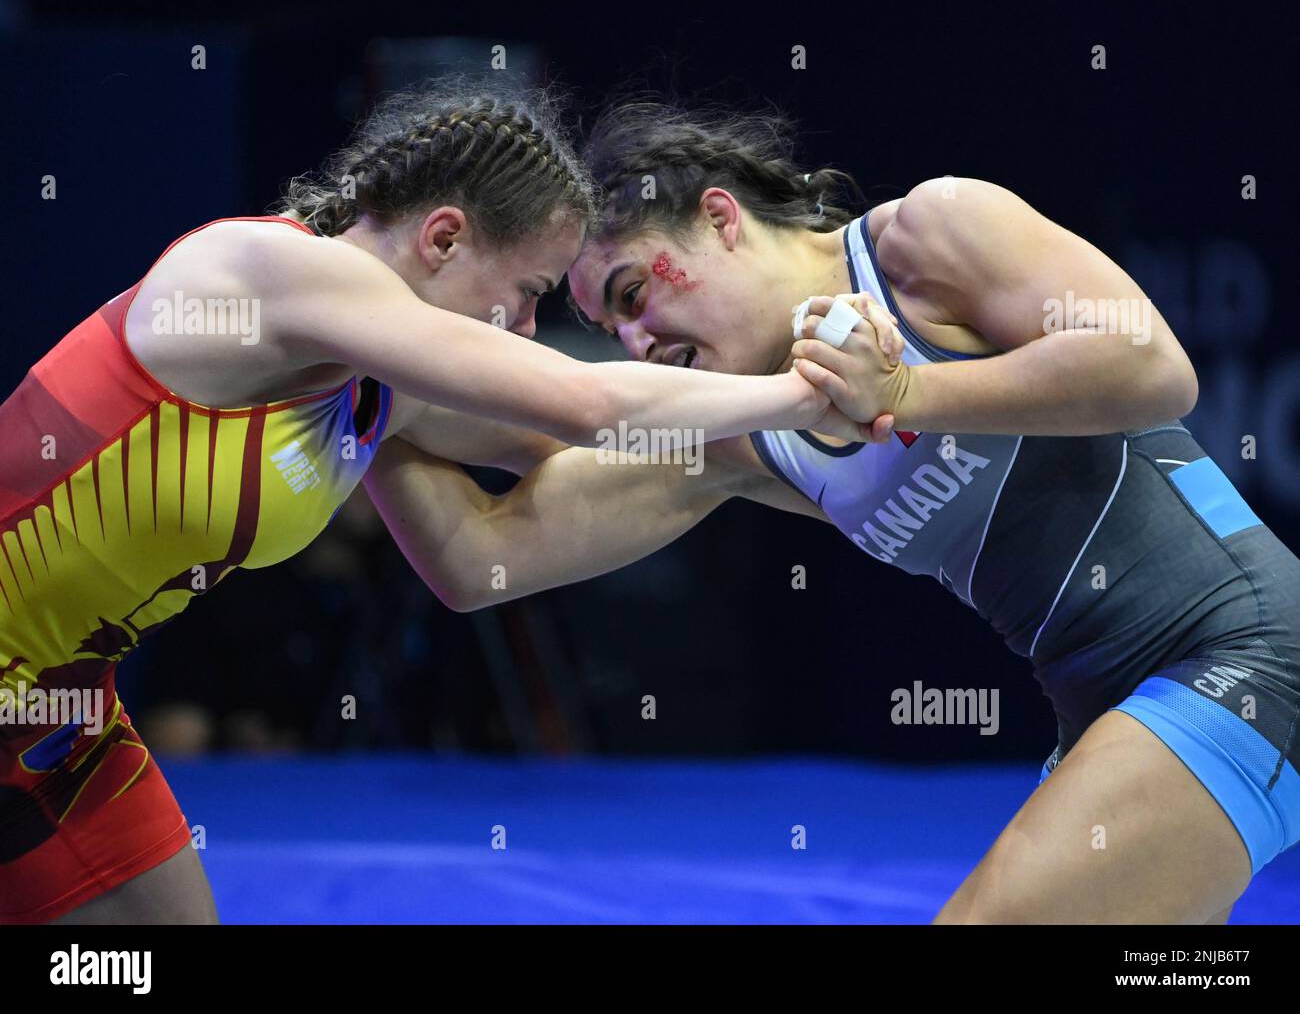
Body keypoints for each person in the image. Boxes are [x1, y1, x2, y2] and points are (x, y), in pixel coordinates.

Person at [370, 102, 1300, 924]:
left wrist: (904, 391)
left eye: (633, 294)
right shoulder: (746, 437)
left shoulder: (925, 239)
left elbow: (1154, 368)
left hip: (1247, 655)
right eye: (615, 332)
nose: (638, 342)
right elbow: (473, 555)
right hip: (1107, 715)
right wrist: (358, 380)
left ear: (720, 219)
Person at [0, 83, 860, 925]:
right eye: (528, 291)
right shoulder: (265, 271)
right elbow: (589, 404)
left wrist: (847, 490)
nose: (526, 326)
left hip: (59, 724)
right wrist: (801, 393)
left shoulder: (380, 391)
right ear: (445, 237)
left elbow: (623, 449)